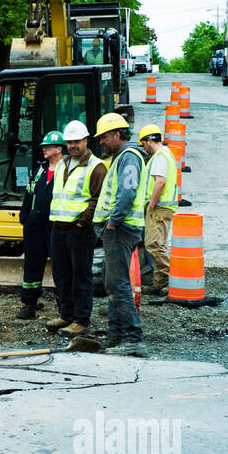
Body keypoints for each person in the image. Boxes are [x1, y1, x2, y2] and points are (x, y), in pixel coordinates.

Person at [93, 113, 147, 356]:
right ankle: (115, 335)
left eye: (104, 136)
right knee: (112, 282)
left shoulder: (128, 157)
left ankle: (133, 338)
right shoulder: (122, 157)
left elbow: (127, 193)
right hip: (120, 228)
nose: (101, 141)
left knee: (119, 284)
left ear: (117, 134)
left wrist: (113, 223)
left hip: (121, 229)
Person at [47, 119, 106, 337]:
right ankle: (66, 314)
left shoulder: (96, 166)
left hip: (79, 229)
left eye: (77, 141)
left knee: (81, 275)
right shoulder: (62, 164)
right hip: (59, 227)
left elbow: (98, 199)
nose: (73, 146)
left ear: (86, 140)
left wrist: (83, 222)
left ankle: (81, 319)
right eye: (69, 142)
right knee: (62, 274)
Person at [17, 131, 65, 319]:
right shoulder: (40, 170)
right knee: (32, 265)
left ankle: (64, 309)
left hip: (56, 224)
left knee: (60, 267)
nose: (44, 149)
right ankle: (29, 304)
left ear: (59, 149)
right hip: (35, 224)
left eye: (48, 146)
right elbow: (30, 193)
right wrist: (25, 216)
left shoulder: (67, 169)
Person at [138, 125, 177, 296]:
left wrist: (151, 205)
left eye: (143, 144)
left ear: (149, 140)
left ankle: (171, 282)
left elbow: (160, 182)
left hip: (159, 207)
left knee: (154, 245)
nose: (143, 148)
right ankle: (159, 283)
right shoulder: (162, 155)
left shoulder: (160, 156)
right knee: (156, 245)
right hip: (161, 207)